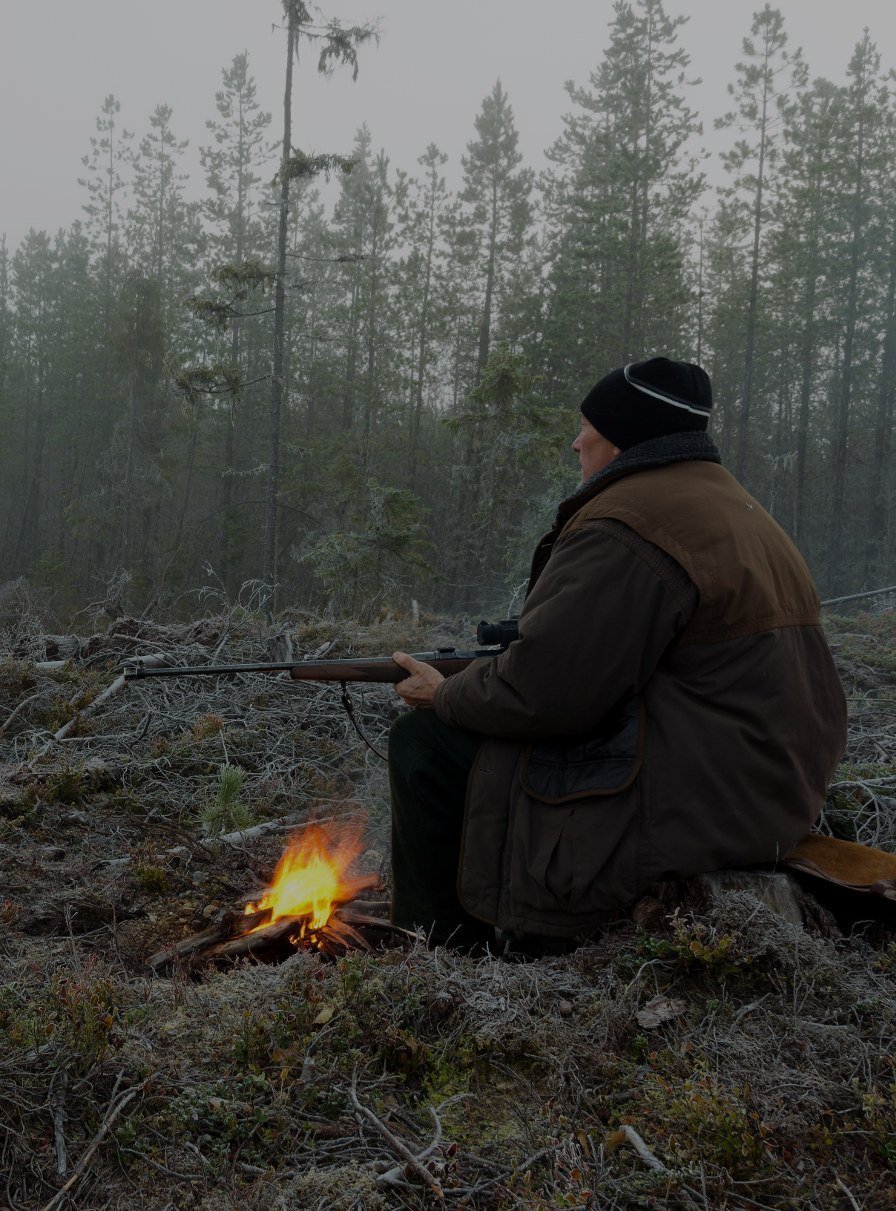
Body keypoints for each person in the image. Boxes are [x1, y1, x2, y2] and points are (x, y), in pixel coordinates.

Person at [387, 357, 847, 951]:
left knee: (426, 743)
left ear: (623, 435)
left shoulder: (625, 524)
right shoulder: (736, 508)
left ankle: (439, 956)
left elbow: (543, 695)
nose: (576, 443)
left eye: (586, 427)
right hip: (766, 795)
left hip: (696, 806)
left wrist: (444, 692)